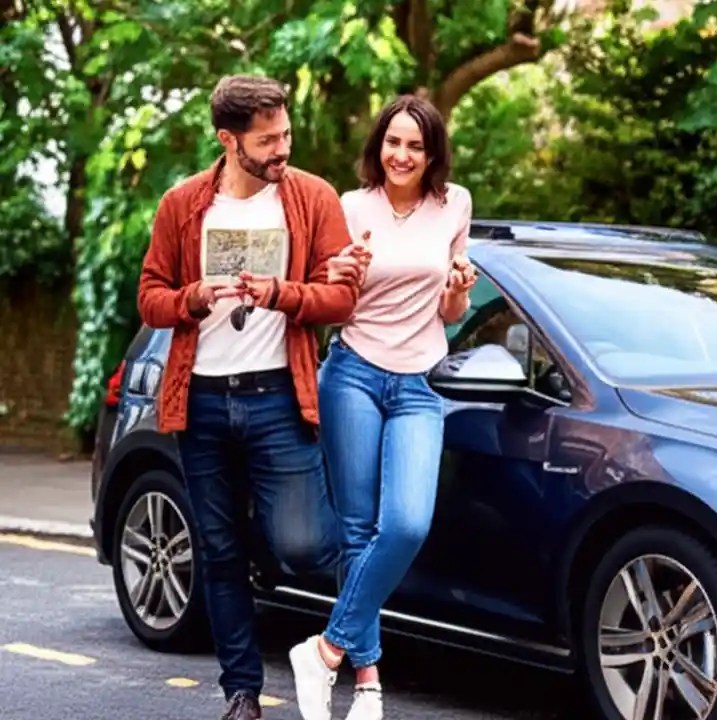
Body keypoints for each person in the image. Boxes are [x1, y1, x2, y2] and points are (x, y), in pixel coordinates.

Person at [136, 74, 366, 720]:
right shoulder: (183, 205)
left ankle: (348, 645)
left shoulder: (312, 198)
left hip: (276, 397)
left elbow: (341, 298)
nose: (281, 149)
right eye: (267, 141)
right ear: (227, 140)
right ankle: (241, 691)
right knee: (219, 549)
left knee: (301, 543)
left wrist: (281, 293)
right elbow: (149, 297)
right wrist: (193, 298)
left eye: (286, 135)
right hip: (202, 402)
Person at [287, 95, 475, 720]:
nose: (402, 155)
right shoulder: (351, 206)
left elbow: (451, 313)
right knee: (356, 532)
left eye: (415, 146)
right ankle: (367, 685)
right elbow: (334, 298)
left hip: (419, 381)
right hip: (354, 374)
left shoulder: (455, 205)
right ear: (379, 145)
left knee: (407, 524)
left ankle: (325, 650)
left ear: (432, 155)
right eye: (393, 142)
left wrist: (456, 295)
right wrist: (345, 270)